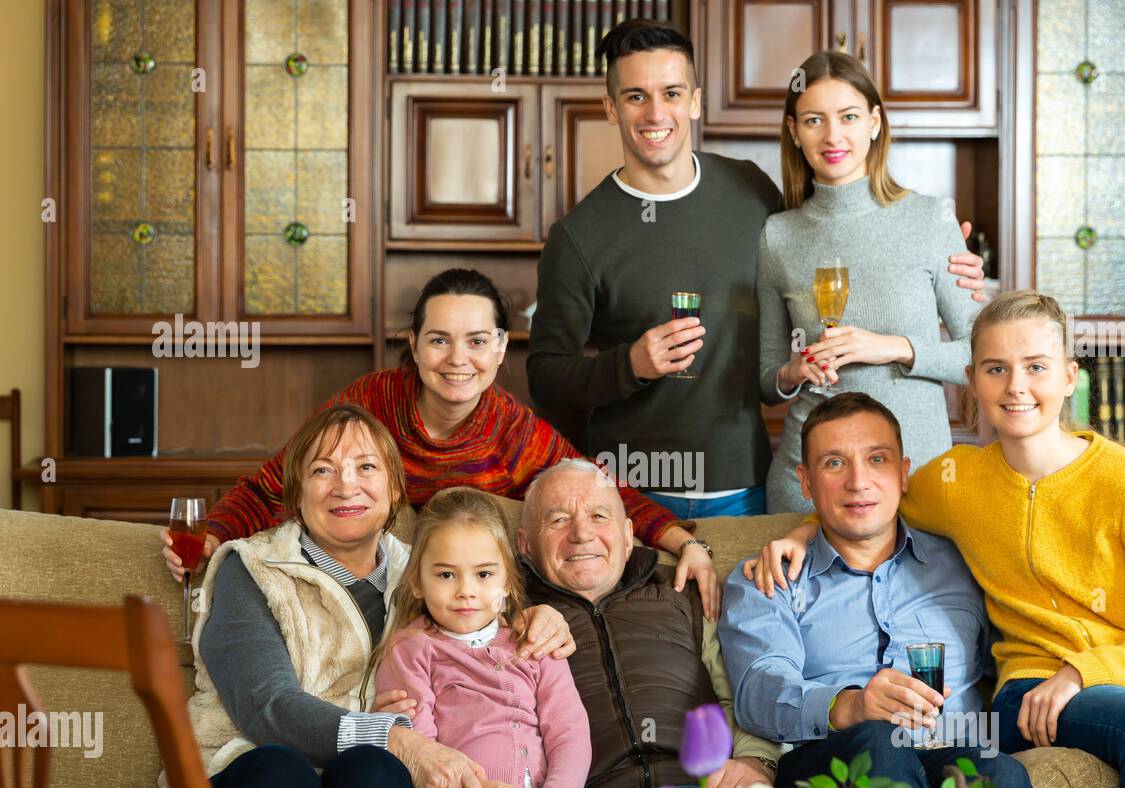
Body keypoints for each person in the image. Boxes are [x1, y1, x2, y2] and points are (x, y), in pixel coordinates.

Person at [743, 291, 1125, 788]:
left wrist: (1085, 671)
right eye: (996, 369)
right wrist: (798, 532)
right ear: (972, 380)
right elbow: (863, 500)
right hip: (1030, 691)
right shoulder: (956, 481)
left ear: (1068, 377)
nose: (1016, 386)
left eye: (1035, 367)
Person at [148, 405, 575, 788]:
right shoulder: (249, 568)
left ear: (395, 489)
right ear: (295, 492)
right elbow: (267, 707)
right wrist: (399, 741)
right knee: (283, 772)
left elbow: (494, 609)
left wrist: (543, 616)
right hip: (241, 782)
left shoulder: (425, 571)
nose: (345, 485)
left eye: (366, 467)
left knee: (376, 774)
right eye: (323, 469)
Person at [527, 21, 987, 520]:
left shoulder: (749, 193)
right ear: (611, 108)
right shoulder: (581, 235)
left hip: (746, 482)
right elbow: (547, 378)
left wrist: (941, 255)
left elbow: (836, 233)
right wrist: (630, 364)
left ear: (695, 101)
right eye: (636, 96)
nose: (656, 112)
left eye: (672, 93)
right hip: (634, 490)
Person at [161, 267, 720, 617]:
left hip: (461, 613)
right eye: (439, 340)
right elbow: (274, 485)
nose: (458, 359)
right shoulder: (371, 403)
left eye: (477, 341)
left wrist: (687, 545)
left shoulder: (514, 430)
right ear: (414, 344)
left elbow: (602, 494)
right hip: (355, 591)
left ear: (501, 348)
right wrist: (212, 536)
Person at [719, 392, 1038, 788]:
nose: (858, 481)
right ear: (805, 483)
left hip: (949, 745)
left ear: (903, 472)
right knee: (878, 740)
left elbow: (1024, 645)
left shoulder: (964, 563)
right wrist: (848, 707)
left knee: (1002, 772)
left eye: (877, 459)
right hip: (830, 758)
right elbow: (759, 690)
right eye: (834, 463)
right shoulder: (771, 576)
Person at [515, 458, 821, 788]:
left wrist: (756, 763)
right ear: (524, 544)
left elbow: (737, 695)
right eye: (557, 520)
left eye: (598, 516)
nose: (581, 534)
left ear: (629, 531)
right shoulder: (510, 617)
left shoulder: (682, 595)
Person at [759, 51, 985, 513]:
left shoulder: (930, 218)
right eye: (814, 120)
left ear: (875, 123)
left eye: (848, 117)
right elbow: (767, 380)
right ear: (793, 132)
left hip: (917, 480)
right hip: (809, 489)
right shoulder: (777, 235)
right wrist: (794, 371)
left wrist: (895, 348)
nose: (833, 135)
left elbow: (981, 356)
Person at [372, 488, 590, 788]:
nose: (466, 591)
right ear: (417, 583)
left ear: (508, 581)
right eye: (446, 574)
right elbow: (422, 743)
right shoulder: (412, 649)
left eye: (484, 574)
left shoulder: (534, 643)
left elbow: (569, 732)